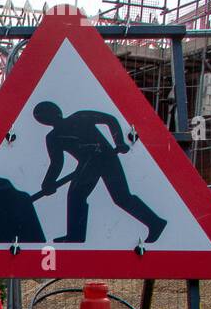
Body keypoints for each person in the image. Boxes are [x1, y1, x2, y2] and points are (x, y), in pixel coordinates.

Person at [32, 100, 167, 244]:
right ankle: (75, 235)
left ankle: (156, 223)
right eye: (42, 117)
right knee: (76, 196)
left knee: (119, 197)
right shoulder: (53, 137)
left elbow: (110, 119)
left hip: (106, 157)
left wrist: (119, 142)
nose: (46, 119)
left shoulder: (80, 117)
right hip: (87, 165)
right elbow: (57, 163)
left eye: (46, 115)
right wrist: (48, 182)